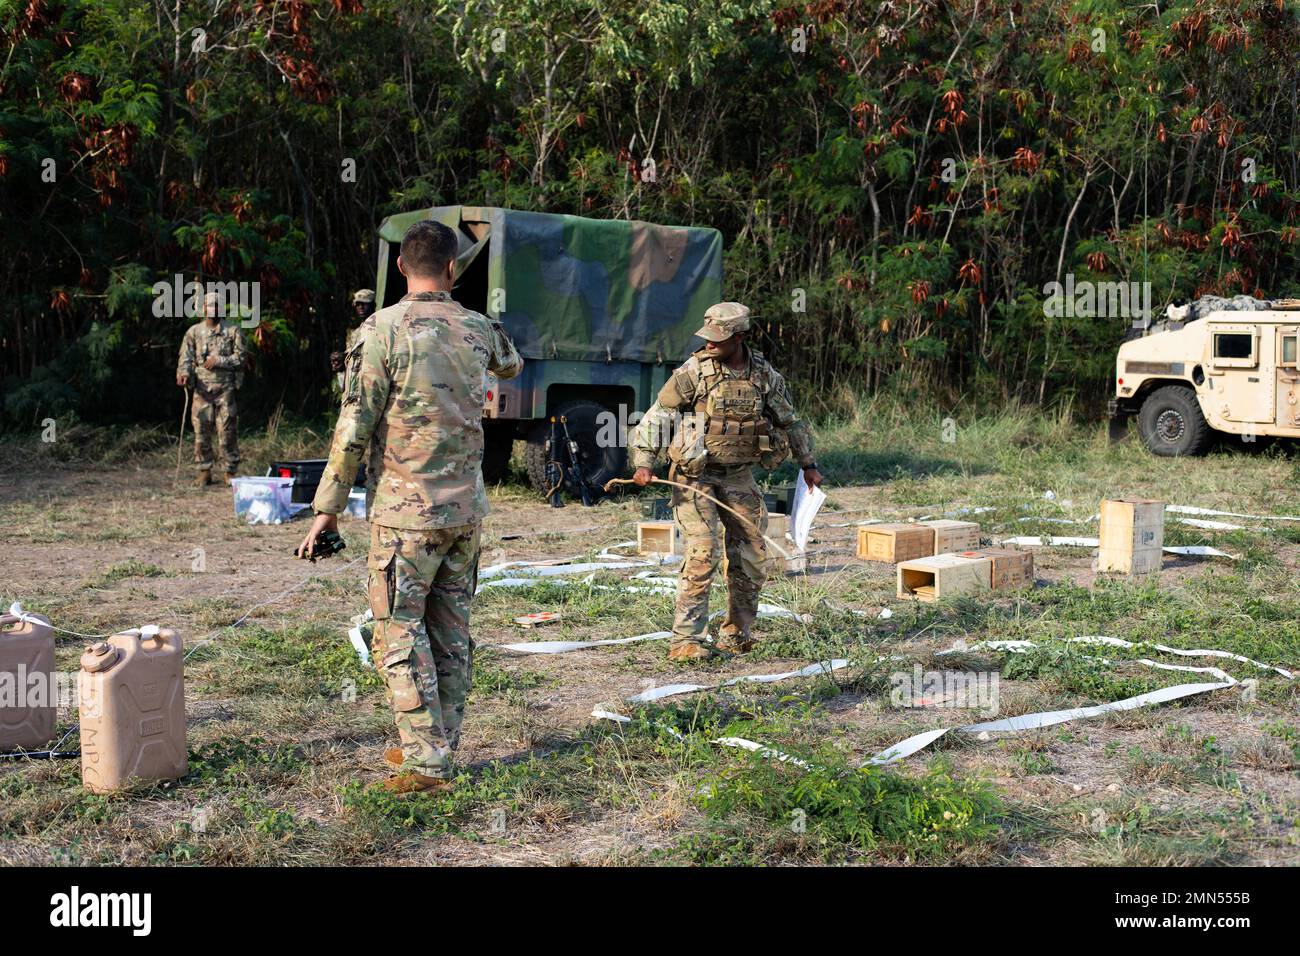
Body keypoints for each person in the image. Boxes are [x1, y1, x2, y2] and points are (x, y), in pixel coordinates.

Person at [296, 221, 523, 795]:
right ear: (452, 269)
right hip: (465, 512)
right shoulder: (478, 328)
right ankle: (437, 743)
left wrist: (327, 508)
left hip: (405, 515)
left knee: (398, 633)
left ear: (401, 267)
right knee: (451, 630)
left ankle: (427, 761)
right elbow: (512, 364)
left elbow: (354, 423)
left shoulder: (380, 331)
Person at [629, 302, 823, 662]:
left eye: (719, 338)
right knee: (703, 552)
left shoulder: (764, 375)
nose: (710, 344)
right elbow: (658, 417)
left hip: (738, 476)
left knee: (751, 554)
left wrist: (808, 464)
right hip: (694, 476)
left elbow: (790, 422)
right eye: (708, 337)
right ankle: (685, 641)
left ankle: (737, 632)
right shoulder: (694, 371)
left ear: (740, 336)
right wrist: (643, 462)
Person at [176, 290, 246, 486]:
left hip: (225, 389)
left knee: (227, 431)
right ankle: (204, 470)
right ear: (203, 308)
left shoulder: (233, 330)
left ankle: (230, 471)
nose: (212, 309)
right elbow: (186, 358)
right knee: (201, 431)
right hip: (201, 390)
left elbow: (241, 358)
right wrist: (184, 374)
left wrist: (219, 360)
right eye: (209, 305)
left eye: (216, 305)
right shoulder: (193, 332)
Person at [331, 289, 376, 392]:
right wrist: (341, 359)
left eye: (365, 304)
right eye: (358, 304)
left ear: (373, 305)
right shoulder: (355, 333)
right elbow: (350, 355)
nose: (361, 307)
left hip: (373, 384)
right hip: (356, 386)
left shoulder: (381, 327)